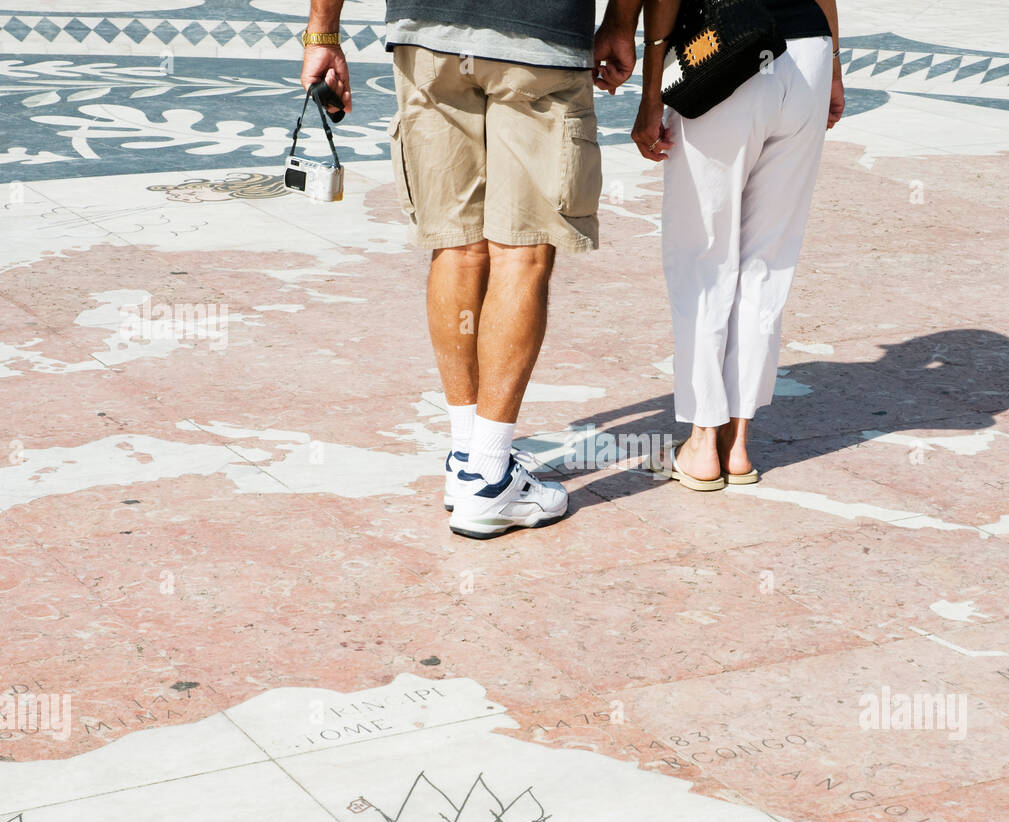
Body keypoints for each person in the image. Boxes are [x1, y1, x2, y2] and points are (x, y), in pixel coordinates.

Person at [300, 0, 640, 537]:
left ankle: (467, 460)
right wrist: (622, 23)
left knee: (456, 247)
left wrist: (322, 32)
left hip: (428, 35)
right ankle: (488, 476)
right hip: (538, 39)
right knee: (522, 252)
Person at [634, 0, 844, 490]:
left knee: (703, 256)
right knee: (768, 258)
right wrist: (833, 67)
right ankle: (739, 442)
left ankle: (704, 441)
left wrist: (649, 93)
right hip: (808, 50)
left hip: (726, 52)